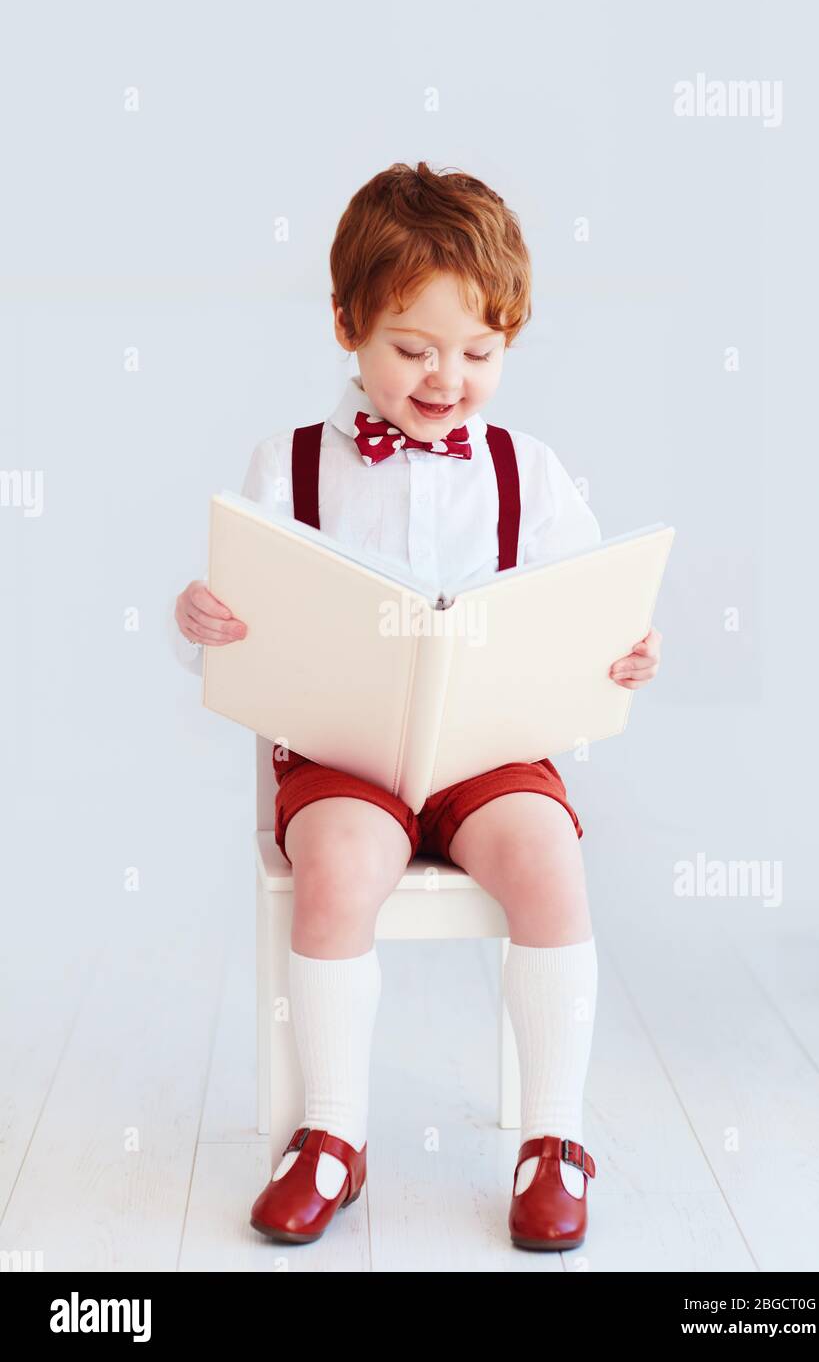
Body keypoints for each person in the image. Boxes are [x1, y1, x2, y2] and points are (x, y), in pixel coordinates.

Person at [173, 162, 662, 1252]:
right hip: (342, 755)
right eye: (413, 348)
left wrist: (622, 653)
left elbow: (588, 609)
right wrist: (200, 614)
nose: (446, 378)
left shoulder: (526, 471)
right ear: (346, 323)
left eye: (478, 354)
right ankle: (333, 1133)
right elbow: (240, 607)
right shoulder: (287, 463)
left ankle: (552, 1137)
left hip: (489, 751)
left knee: (548, 860)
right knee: (338, 870)